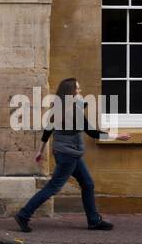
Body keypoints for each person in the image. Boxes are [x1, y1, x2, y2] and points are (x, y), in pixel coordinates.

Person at [14, 78, 132, 232]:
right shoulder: (72, 112)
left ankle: (94, 220)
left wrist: (41, 150)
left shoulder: (59, 108)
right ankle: (24, 215)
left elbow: (48, 129)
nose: (80, 91)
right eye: (77, 89)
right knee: (53, 187)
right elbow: (93, 133)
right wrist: (117, 136)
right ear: (70, 92)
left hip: (69, 154)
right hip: (68, 155)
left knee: (87, 184)